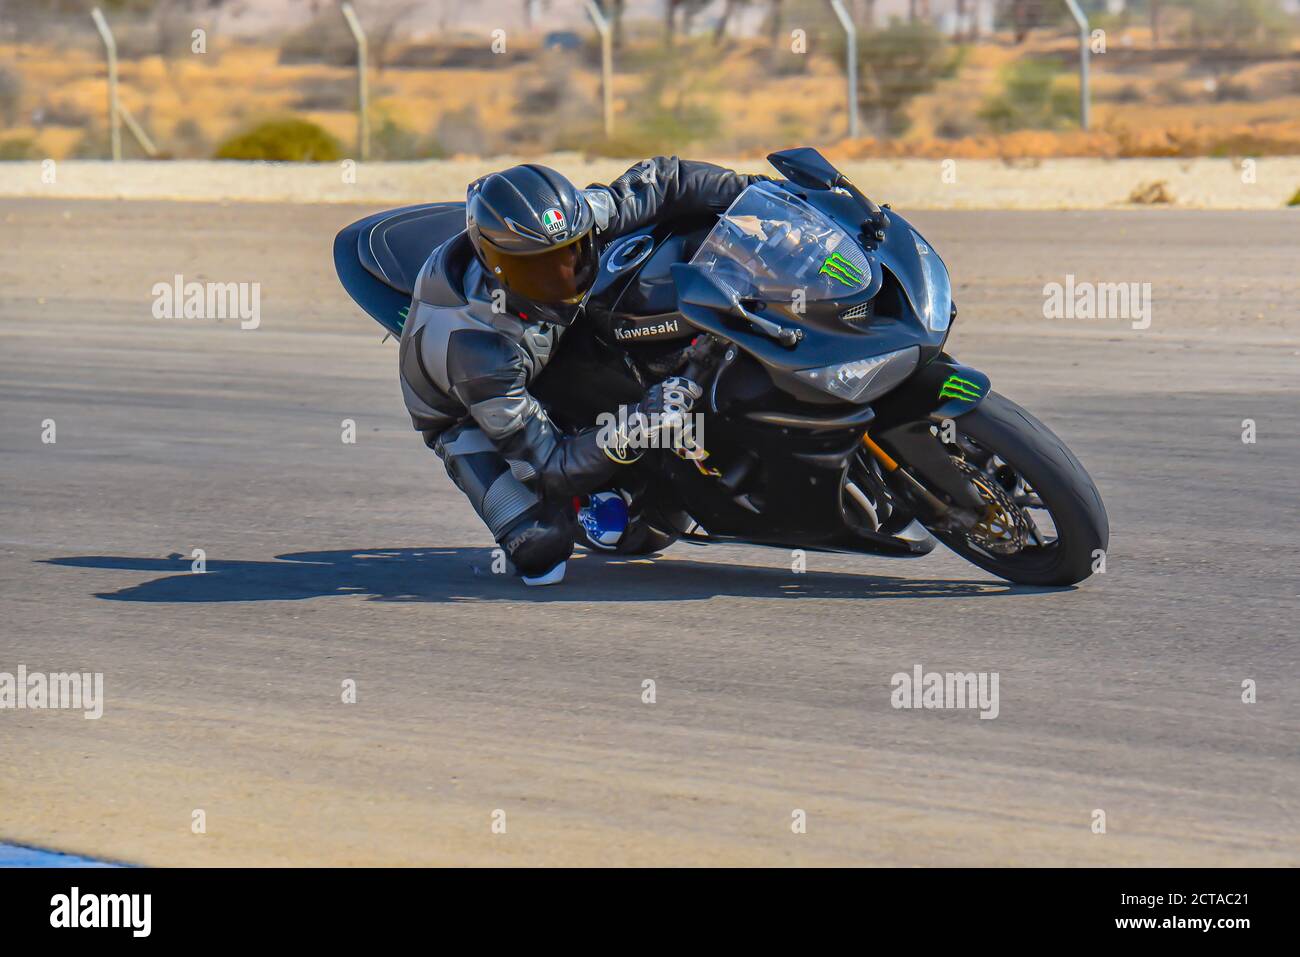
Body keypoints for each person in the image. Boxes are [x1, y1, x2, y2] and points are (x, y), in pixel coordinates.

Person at [398, 157, 767, 584]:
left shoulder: (574, 219)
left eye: (570, 255)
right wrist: (636, 424)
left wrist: (755, 189)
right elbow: (550, 466)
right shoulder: (479, 353)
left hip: (553, 341)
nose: (562, 277)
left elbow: (666, 182)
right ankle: (563, 511)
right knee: (542, 553)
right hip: (466, 415)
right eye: (538, 270)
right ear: (497, 268)